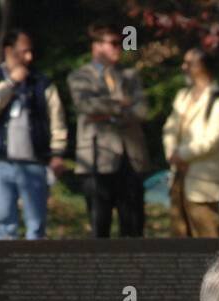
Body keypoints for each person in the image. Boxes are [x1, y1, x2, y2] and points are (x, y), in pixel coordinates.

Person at [0, 28, 68, 240]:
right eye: (24, 51)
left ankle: (33, 260)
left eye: (31, 51)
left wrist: (57, 153)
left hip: (34, 162)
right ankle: (4, 260)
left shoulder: (42, 83)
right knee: (3, 221)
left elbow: (57, 120)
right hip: (1, 162)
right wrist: (10, 83)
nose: (29, 57)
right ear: (9, 51)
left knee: (36, 223)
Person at [68, 22, 151, 238]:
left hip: (131, 159)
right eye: (113, 43)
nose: (118, 48)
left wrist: (106, 111)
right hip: (97, 158)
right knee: (99, 225)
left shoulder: (130, 75)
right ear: (96, 46)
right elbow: (86, 106)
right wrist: (120, 105)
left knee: (133, 226)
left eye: (121, 43)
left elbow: (142, 110)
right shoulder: (80, 76)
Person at [162, 48, 219, 238]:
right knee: (178, 236)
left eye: (189, 63)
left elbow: (213, 140)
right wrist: (171, 153)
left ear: (203, 67)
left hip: (203, 180)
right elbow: (170, 128)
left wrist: (182, 155)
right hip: (178, 177)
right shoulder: (182, 96)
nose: (184, 67)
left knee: (207, 238)